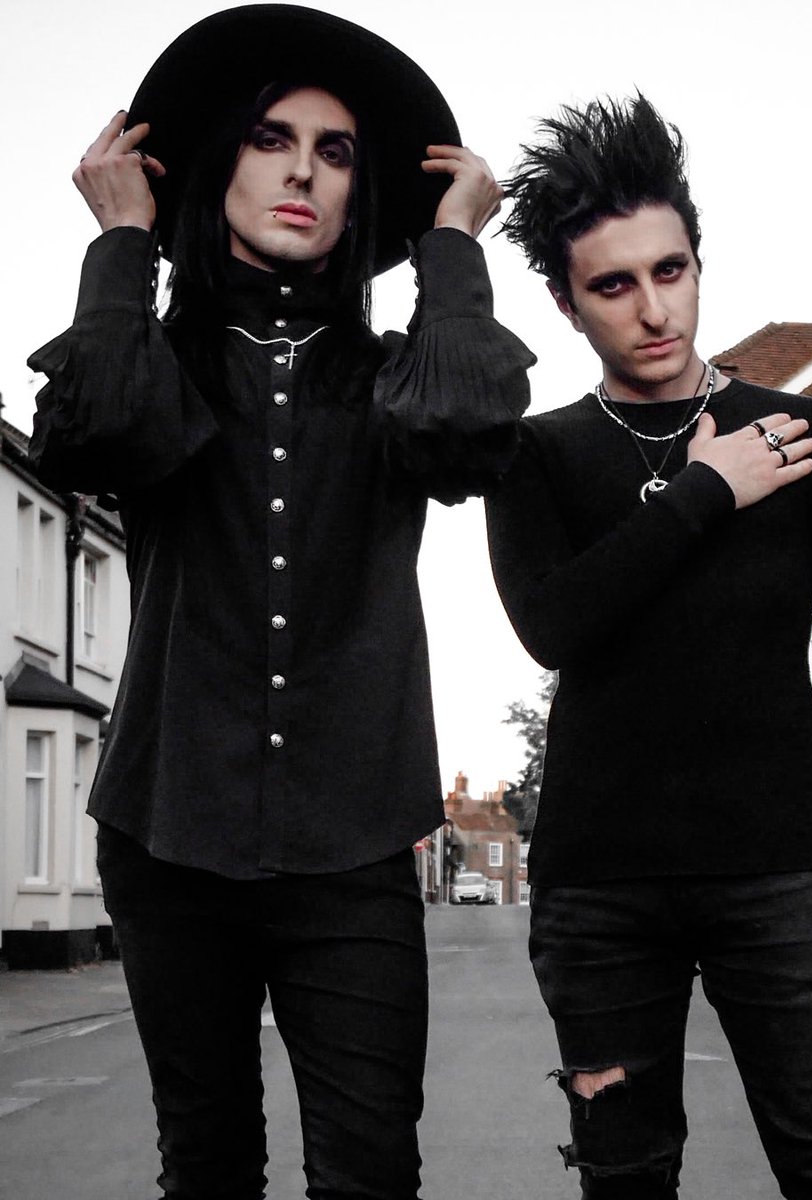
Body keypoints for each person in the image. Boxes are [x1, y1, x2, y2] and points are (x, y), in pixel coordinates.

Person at [27, 7, 533, 1198]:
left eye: (336, 151)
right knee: (206, 1166)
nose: (303, 170)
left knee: (371, 1173)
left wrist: (452, 242)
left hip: (355, 842)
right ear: (221, 169)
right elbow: (91, 435)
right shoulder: (156, 364)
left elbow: (468, 429)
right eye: (271, 139)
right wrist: (125, 240)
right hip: (168, 830)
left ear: (363, 197)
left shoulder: (396, 382)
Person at [485, 93, 812, 1199]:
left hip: (779, 873)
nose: (653, 310)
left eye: (670, 270)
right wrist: (704, 492)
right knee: (625, 1178)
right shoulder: (538, 455)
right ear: (565, 302)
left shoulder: (804, 436)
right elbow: (553, 625)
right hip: (599, 889)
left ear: (696, 260)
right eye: (613, 286)